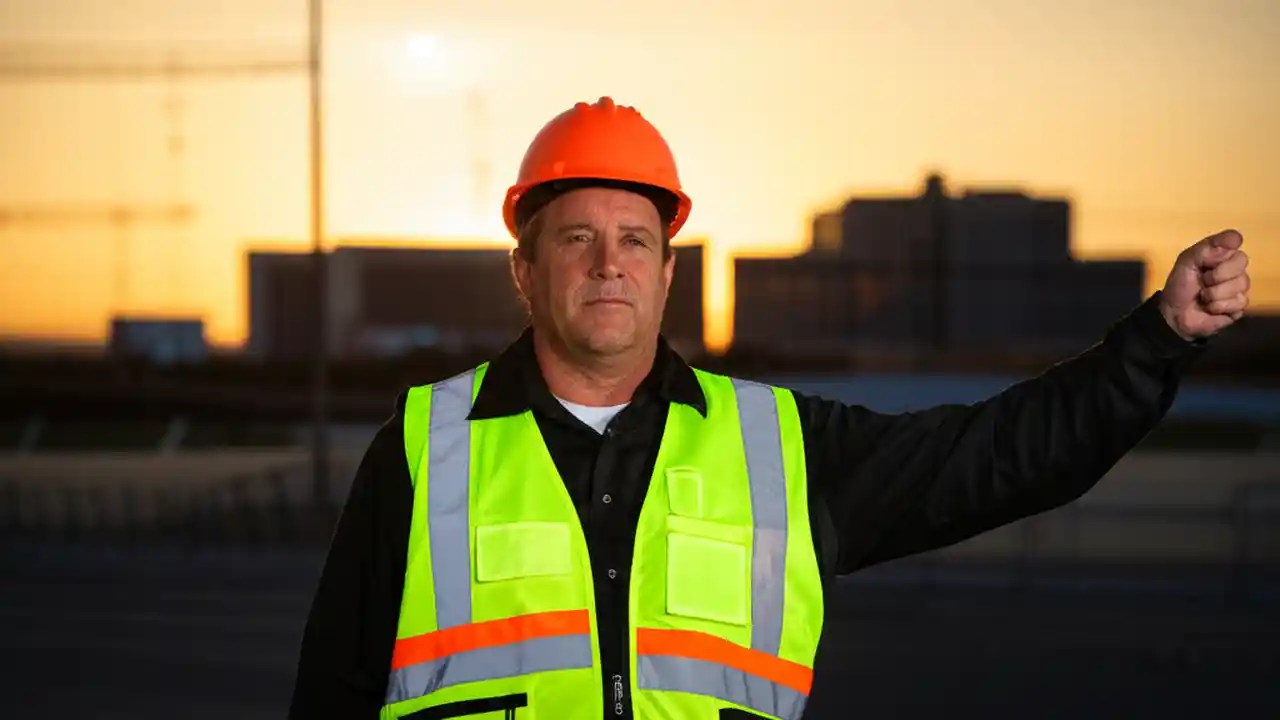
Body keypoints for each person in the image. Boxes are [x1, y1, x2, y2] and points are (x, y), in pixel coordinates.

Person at [288, 97, 1252, 720]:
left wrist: (1158, 338)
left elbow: (1001, 456)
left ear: (668, 274)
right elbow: (331, 695)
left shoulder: (780, 447)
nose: (608, 261)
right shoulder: (422, 449)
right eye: (575, 236)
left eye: (634, 238)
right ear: (525, 272)